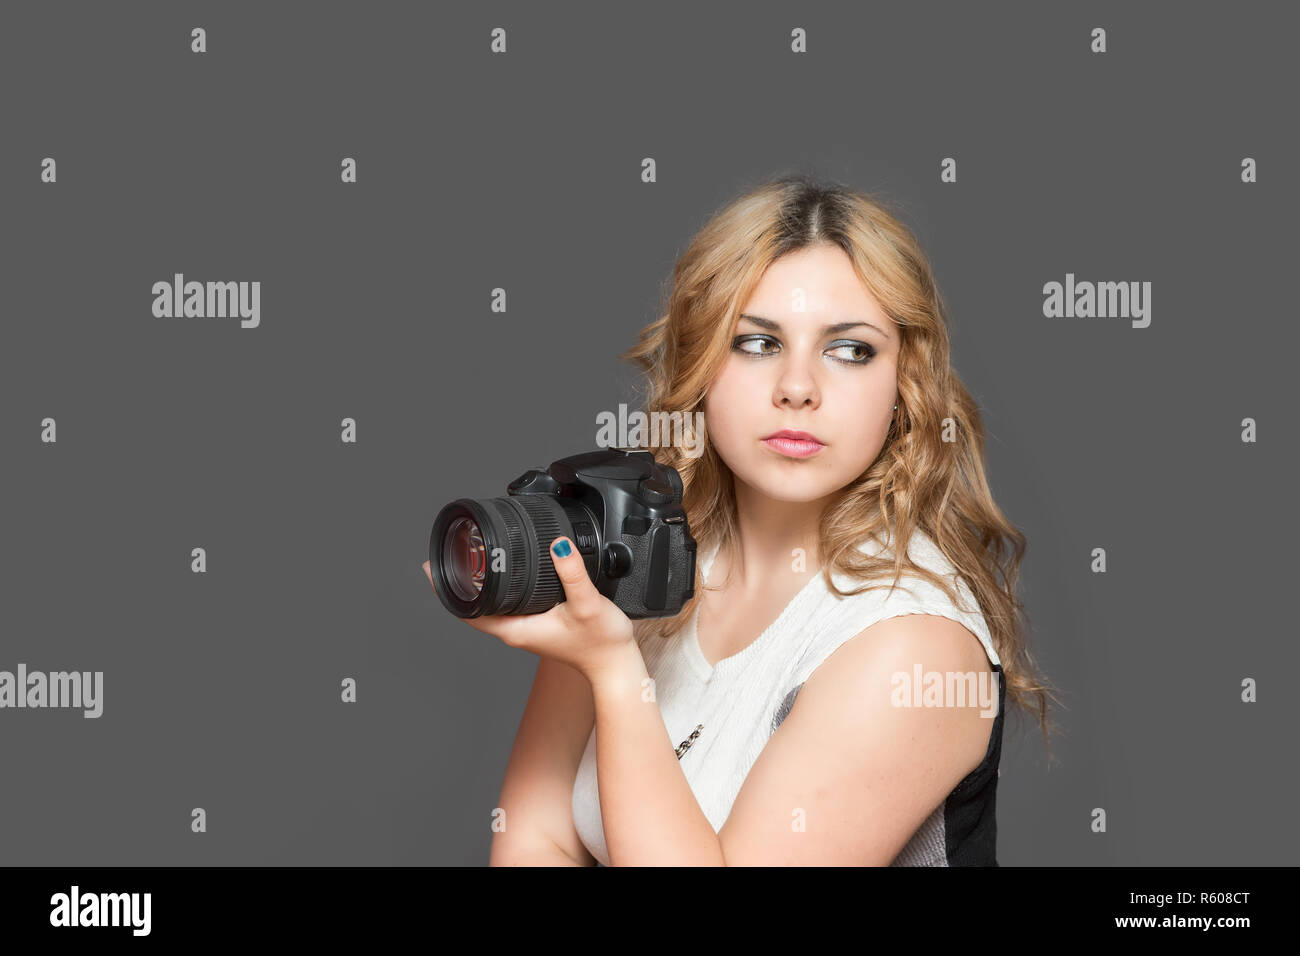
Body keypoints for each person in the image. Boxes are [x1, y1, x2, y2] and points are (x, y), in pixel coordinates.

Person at [423, 174, 1057, 865]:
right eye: (757, 343)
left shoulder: (912, 647)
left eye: (849, 350)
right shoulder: (633, 550)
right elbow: (535, 838)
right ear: (702, 363)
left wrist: (613, 671)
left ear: (904, 386)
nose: (797, 388)